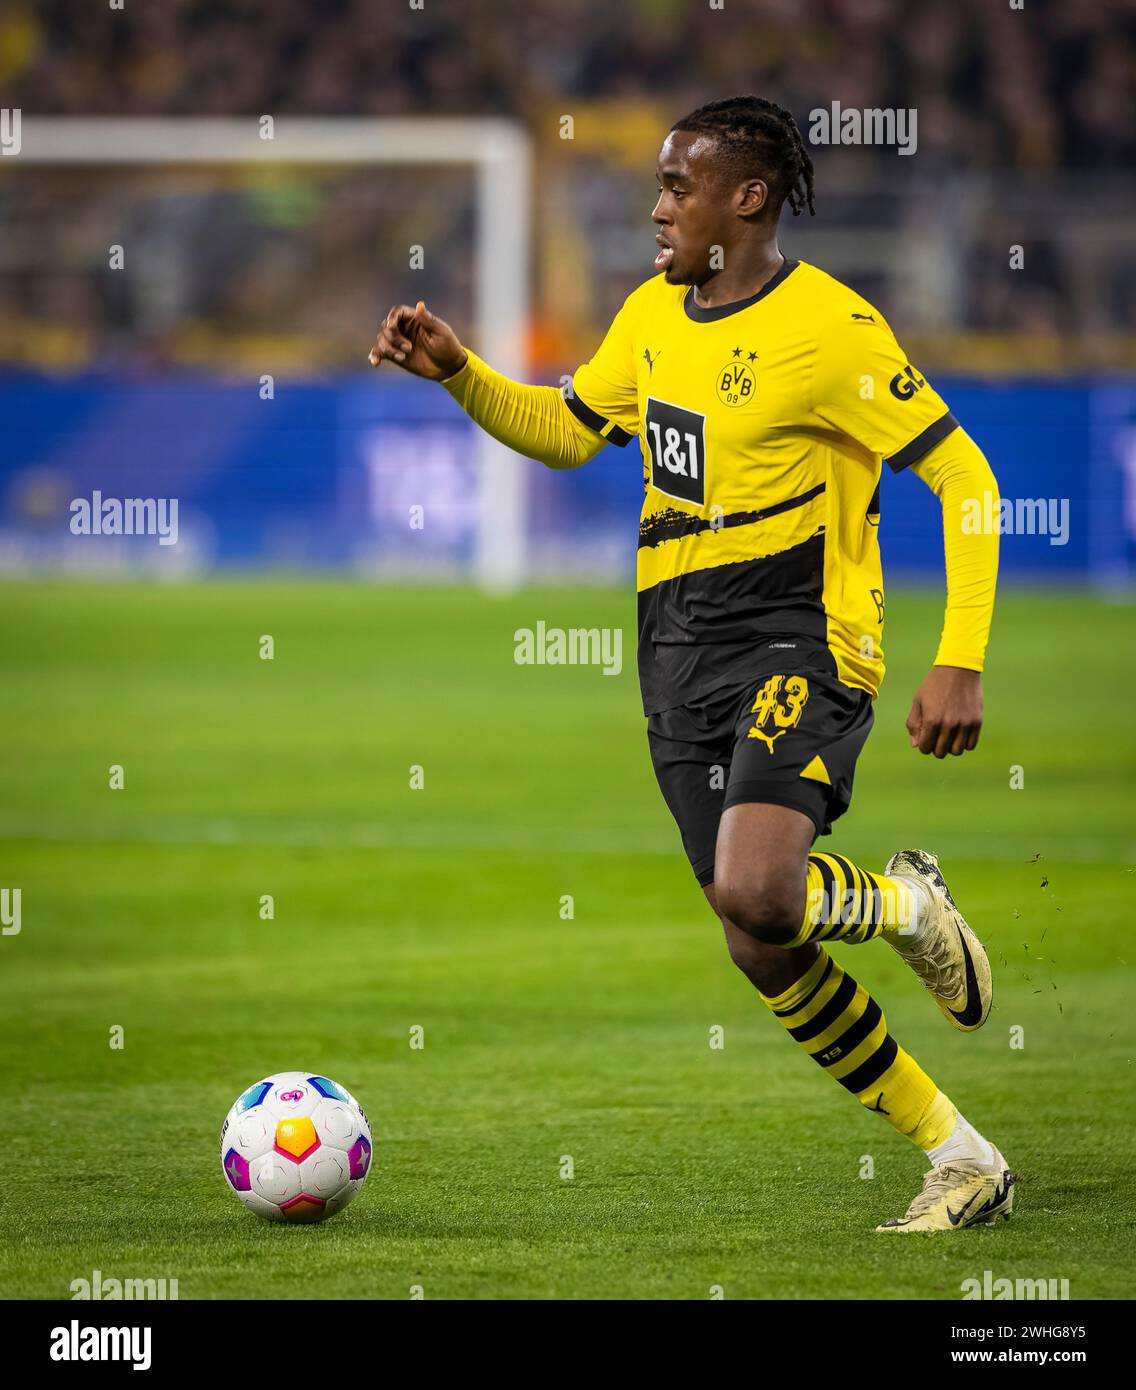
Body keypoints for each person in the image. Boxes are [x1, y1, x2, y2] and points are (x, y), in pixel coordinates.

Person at [369, 95, 1013, 1233]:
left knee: (757, 886)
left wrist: (957, 656)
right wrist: (460, 372)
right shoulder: (654, 315)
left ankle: (907, 903)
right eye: (661, 184)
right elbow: (570, 429)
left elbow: (965, 479)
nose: (655, 206)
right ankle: (959, 1155)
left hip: (799, 636)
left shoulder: (832, 330)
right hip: (675, 651)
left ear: (746, 198)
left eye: (678, 185)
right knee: (755, 942)